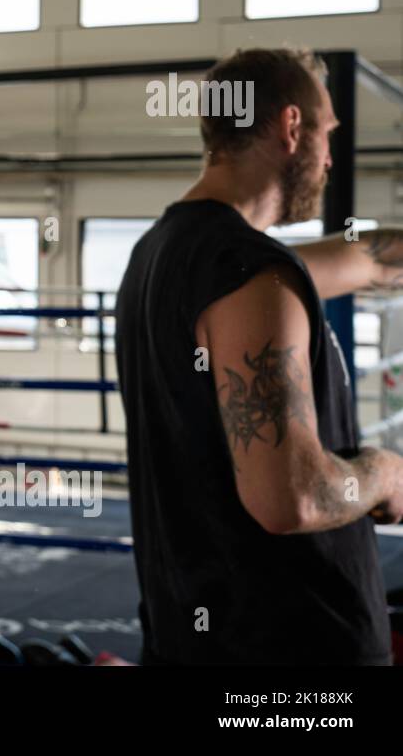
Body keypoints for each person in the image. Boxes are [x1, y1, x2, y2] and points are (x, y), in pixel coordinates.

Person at [116, 47, 403, 665]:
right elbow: (291, 498)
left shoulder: (159, 256)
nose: (329, 157)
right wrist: (385, 471)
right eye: (327, 133)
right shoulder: (252, 276)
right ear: (293, 127)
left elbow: (369, 259)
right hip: (292, 659)